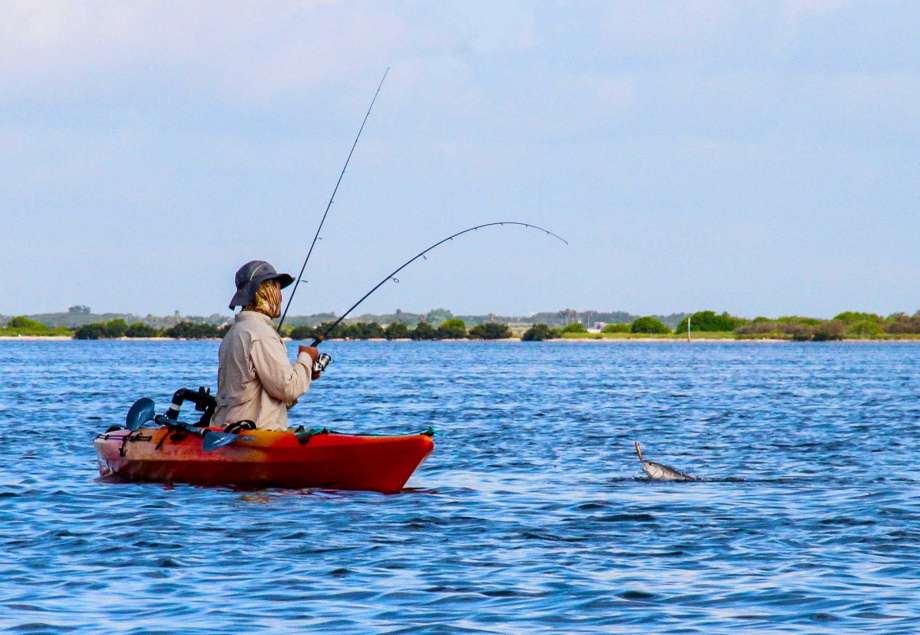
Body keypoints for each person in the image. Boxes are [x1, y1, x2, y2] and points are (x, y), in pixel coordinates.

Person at [213, 260, 319, 431]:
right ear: (262, 290)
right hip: (254, 433)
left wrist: (304, 372)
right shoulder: (260, 334)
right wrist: (307, 357)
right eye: (276, 288)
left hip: (229, 429)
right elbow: (288, 389)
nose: (281, 296)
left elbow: (272, 396)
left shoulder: (234, 332)